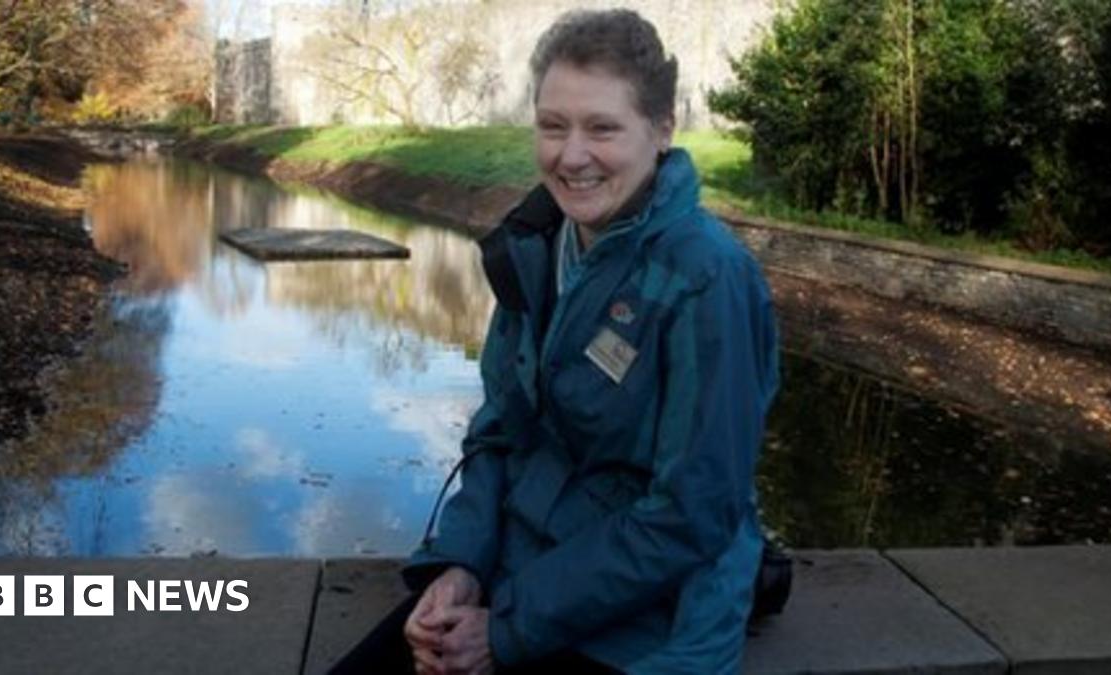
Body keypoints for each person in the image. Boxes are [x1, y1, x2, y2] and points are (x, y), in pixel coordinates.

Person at [328, 8, 779, 675]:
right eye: (552, 126)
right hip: (521, 573)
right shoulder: (535, 246)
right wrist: (462, 564)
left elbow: (691, 513)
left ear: (661, 130)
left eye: (602, 128)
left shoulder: (705, 277)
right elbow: (498, 431)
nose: (571, 156)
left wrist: (505, 630)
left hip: (648, 623)